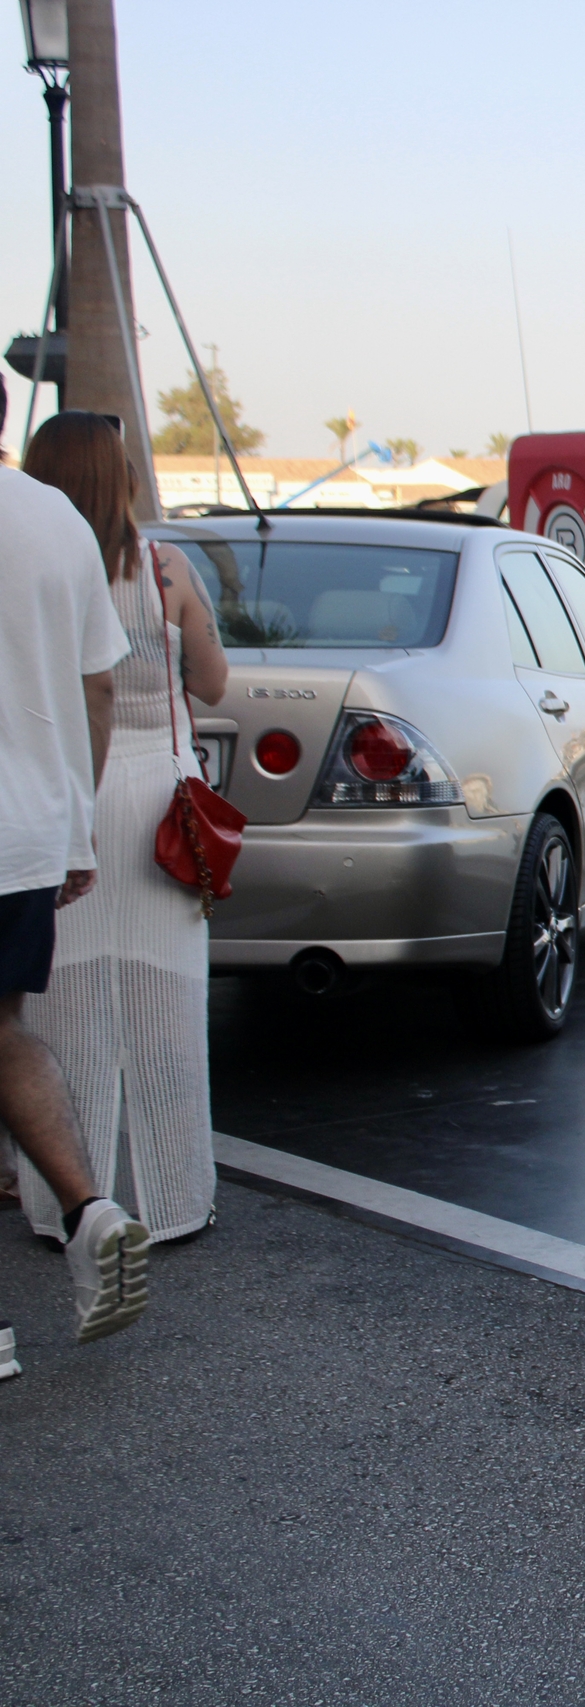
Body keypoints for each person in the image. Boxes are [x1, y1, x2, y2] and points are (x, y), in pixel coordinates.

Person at [16, 410, 229, 1261]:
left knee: (60, 1003)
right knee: (166, 999)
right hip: (158, 804)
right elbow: (210, 683)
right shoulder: (166, 569)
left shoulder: (35, 561)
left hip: (65, 789)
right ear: (125, 479)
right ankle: (174, 1197)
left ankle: (67, 1199)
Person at [0, 390, 154, 1367]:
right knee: (5, 1032)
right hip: (24, 832)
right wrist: (73, 830)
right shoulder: (53, 519)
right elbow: (101, 686)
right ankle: (91, 1210)